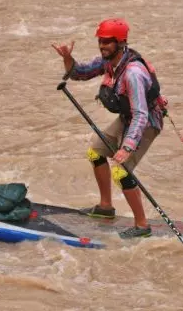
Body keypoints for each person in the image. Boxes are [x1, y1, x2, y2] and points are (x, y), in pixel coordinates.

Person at [52, 18, 166, 239]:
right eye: (101, 41)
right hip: (128, 117)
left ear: (120, 42)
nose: (102, 46)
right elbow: (80, 73)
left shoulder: (133, 73)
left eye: (107, 42)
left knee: (121, 170)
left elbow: (141, 115)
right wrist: (67, 58)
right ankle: (106, 208)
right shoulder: (109, 61)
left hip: (146, 122)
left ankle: (142, 226)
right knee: (95, 152)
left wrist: (127, 147)